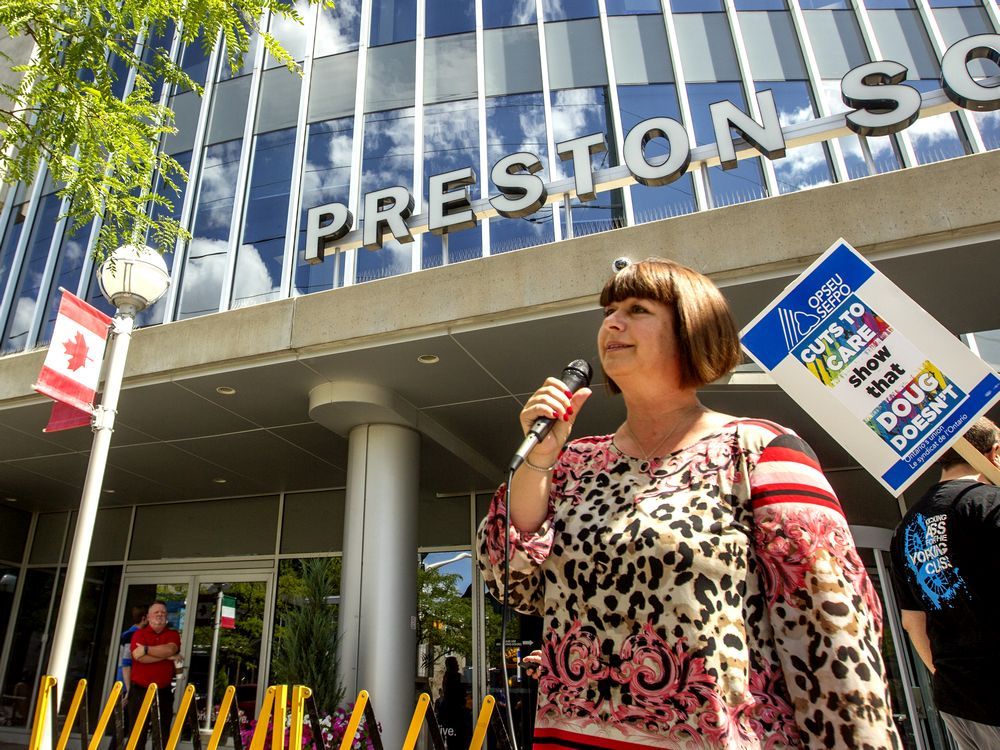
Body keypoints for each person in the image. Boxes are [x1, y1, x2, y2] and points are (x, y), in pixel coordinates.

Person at [477, 258, 901, 749]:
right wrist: (540, 461)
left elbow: (833, 632)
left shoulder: (760, 450)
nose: (612, 323)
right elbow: (512, 584)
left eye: (637, 309)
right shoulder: (574, 462)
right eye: (609, 311)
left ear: (691, 328)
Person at [890, 417, 1000, 749]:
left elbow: (912, 622)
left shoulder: (907, 527)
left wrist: (949, 679)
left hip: (957, 699)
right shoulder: (989, 504)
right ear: (994, 452)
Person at [127, 601, 180, 750]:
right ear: (148, 617)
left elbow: (170, 649)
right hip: (140, 691)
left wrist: (146, 649)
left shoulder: (173, 634)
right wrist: (166, 657)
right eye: (156, 612)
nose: (160, 614)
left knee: (162, 735)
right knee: (137, 734)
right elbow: (139, 657)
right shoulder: (139, 634)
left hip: (163, 692)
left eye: (163, 612)